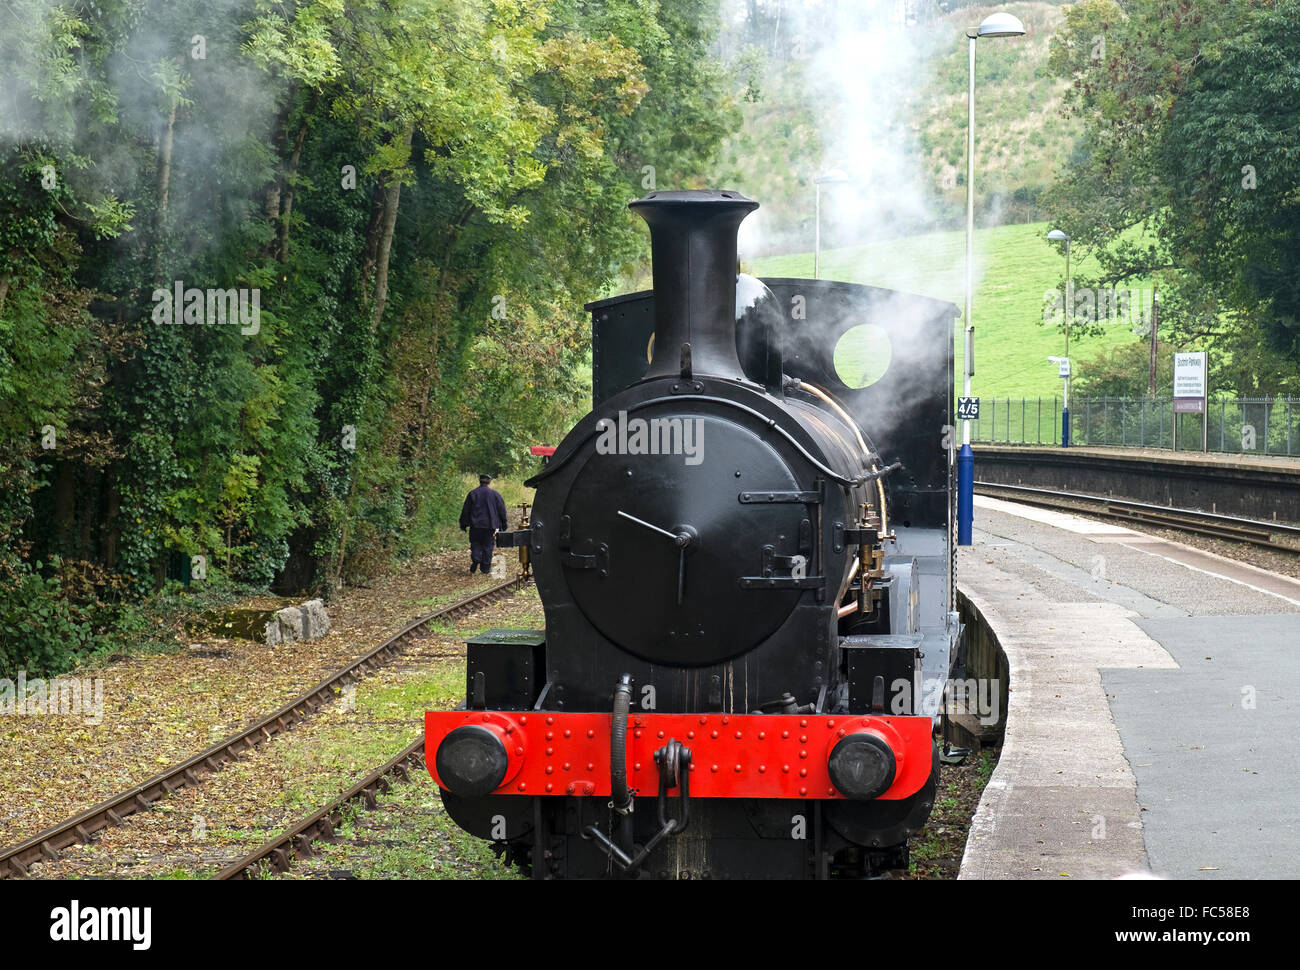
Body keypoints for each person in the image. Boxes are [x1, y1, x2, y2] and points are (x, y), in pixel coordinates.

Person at [459, 474, 508, 574]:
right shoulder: (495, 494)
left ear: (479, 481)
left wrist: (463, 523)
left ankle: (476, 558)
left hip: (475, 525)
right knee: (488, 546)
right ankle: (485, 568)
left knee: (475, 543)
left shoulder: (472, 494)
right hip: (490, 525)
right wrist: (503, 523)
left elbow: (466, 510)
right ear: (489, 482)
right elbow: (501, 510)